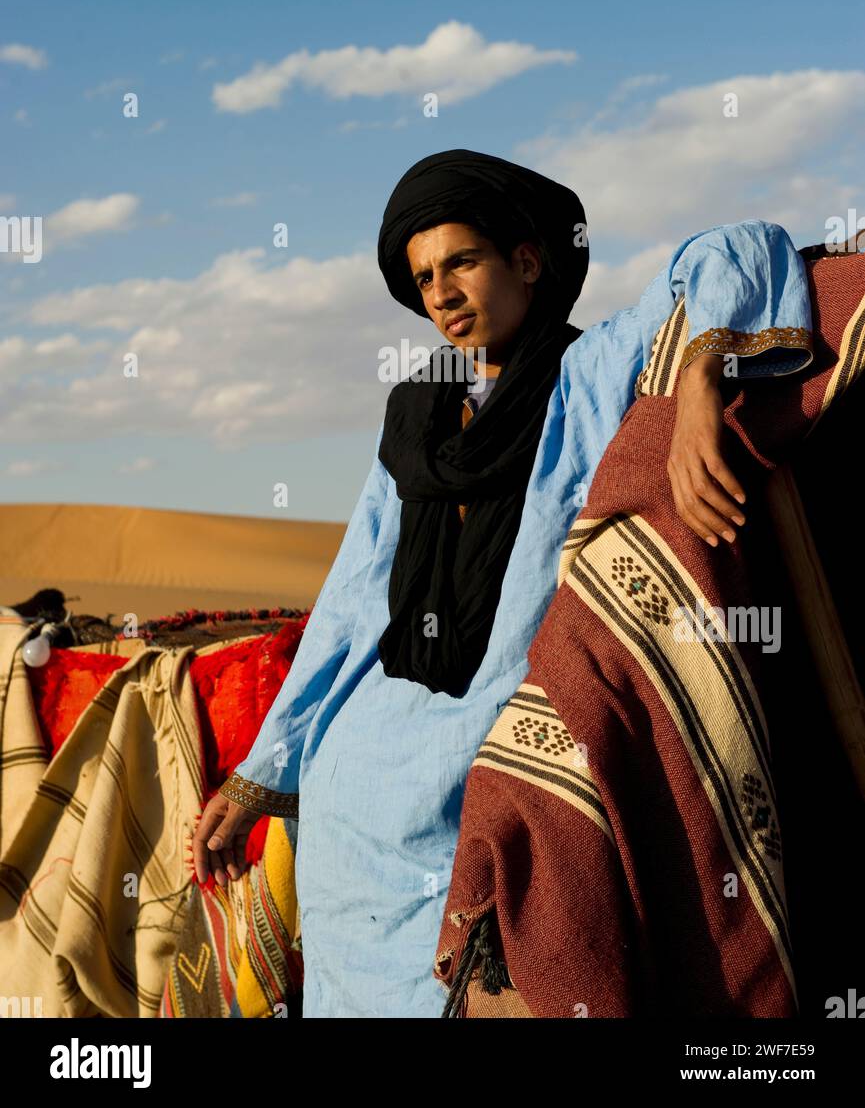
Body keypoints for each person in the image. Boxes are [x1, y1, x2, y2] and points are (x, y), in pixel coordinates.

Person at [192, 149, 813, 1017]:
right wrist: (263, 771)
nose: (439, 293)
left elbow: (737, 245)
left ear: (527, 261)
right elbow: (349, 604)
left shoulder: (591, 372)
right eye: (422, 278)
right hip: (355, 792)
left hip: (480, 761)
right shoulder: (416, 420)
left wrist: (703, 374)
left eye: (460, 263)